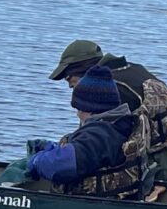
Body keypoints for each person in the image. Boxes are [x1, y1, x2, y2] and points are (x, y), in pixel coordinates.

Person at [51, 37, 167, 190]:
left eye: (69, 78)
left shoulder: (108, 90)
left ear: (81, 70)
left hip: (148, 170)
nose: (69, 84)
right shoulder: (135, 70)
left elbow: (96, 145)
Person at [23, 69, 146, 197]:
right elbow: (87, 153)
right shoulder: (120, 124)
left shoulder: (98, 135)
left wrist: (36, 160)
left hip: (93, 205)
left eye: (78, 108)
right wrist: (54, 149)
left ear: (89, 108)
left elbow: (60, 166)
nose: (77, 114)